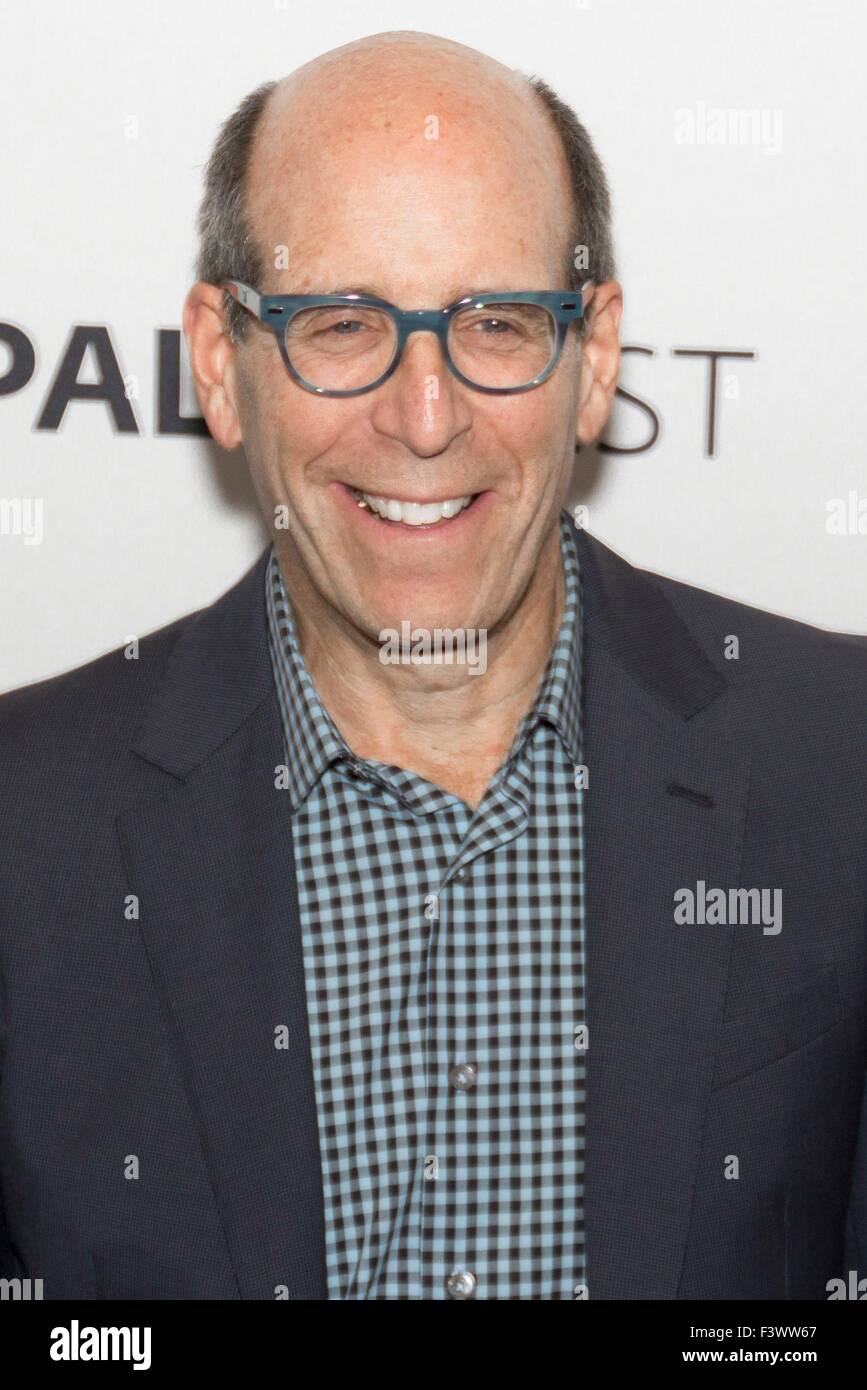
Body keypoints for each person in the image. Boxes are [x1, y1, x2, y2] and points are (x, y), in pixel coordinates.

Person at [1, 29, 866, 1301]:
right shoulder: (25, 830)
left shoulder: (839, 764)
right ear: (220, 362)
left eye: (498, 321)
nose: (424, 415)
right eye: (342, 323)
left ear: (596, 360)